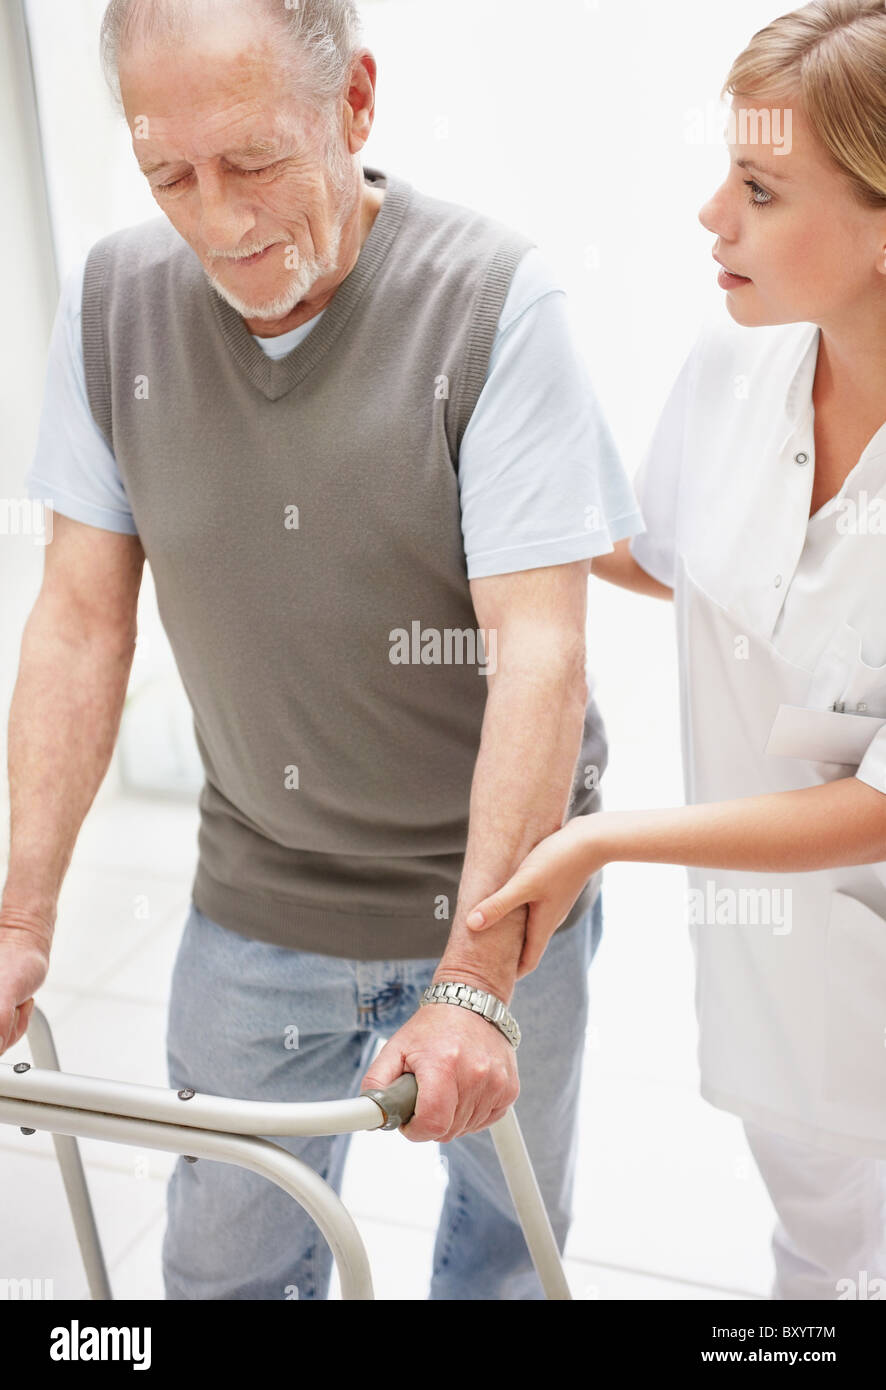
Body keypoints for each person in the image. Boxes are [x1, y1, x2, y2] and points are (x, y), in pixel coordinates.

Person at [0, 0, 644, 1298]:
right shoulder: (115, 304)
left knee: (502, 1258)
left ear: (353, 101)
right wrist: (20, 915)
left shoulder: (492, 304)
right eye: (168, 174)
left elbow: (538, 649)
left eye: (252, 163)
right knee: (225, 1265)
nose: (216, 220)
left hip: (505, 906)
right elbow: (79, 614)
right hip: (258, 897)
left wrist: (473, 974)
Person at [466, 0, 886, 1301]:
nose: (712, 215)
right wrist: (481, 467)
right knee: (812, 1250)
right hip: (783, 979)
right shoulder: (737, 360)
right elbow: (665, 552)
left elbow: (874, 805)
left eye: (758, 189)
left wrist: (597, 837)